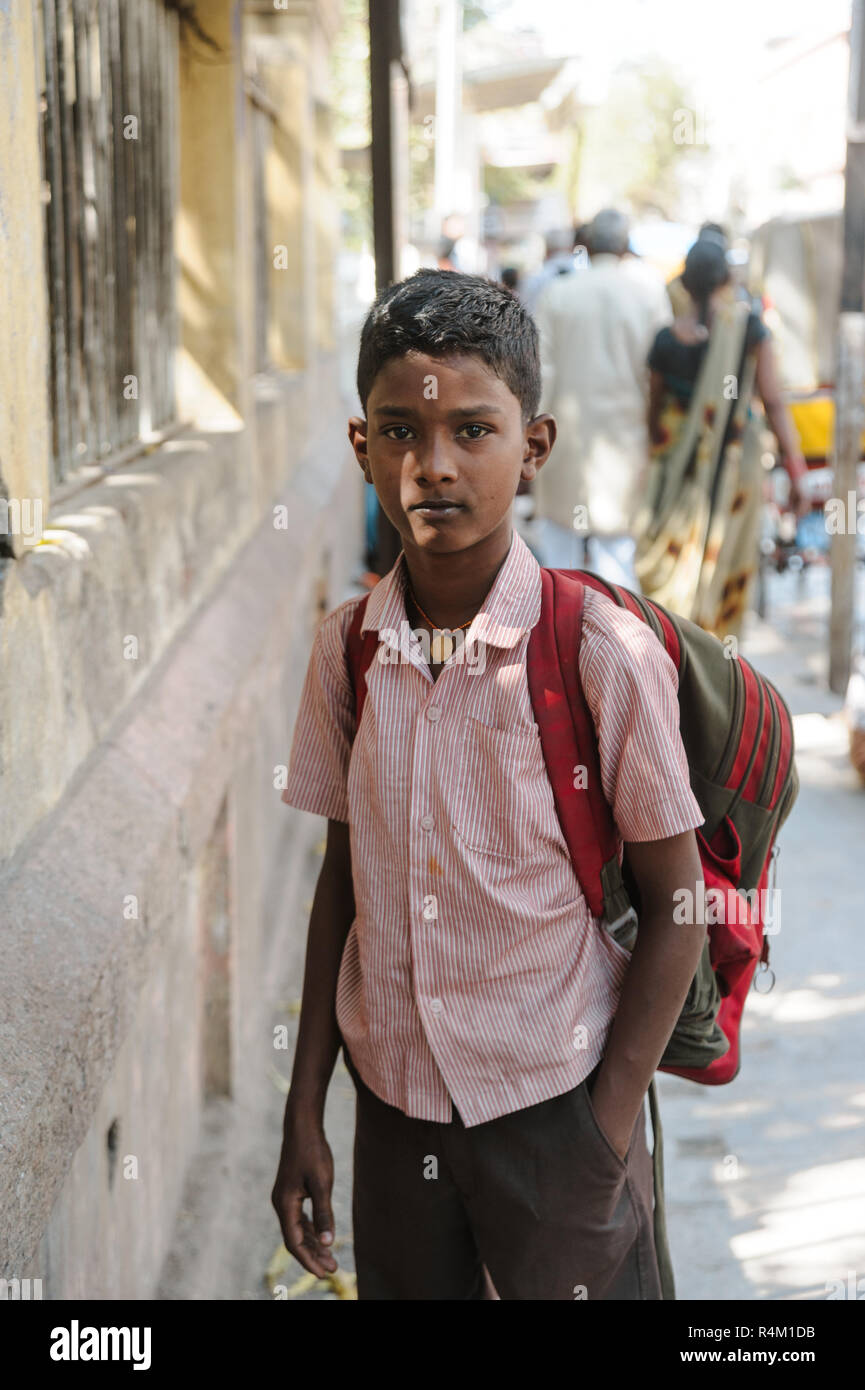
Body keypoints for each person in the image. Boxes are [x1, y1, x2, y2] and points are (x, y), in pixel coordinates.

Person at [271, 268, 709, 1301]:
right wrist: (303, 1112)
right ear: (360, 444)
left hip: (557, 1108)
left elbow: (678, 902)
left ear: (534, 447)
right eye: (399, 432)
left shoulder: (597, 650)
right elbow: (345, 880)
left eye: (473, 431)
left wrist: (605, 1123)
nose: (433, 467)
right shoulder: (346, 652)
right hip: (395, 1113)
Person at [635, 238, 809, 639]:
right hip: (734, 467)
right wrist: (796, 471)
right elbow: (775, 403)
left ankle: (678, 645)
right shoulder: (748, 328)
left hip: (677, 463)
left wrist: (660, 456)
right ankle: (718, 653)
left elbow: (655, 409)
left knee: (675, 558)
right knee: (726, 556)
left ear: (686, 284)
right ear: (727, 279)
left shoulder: (665, 340)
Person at [531, 209, 672, 589]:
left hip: (563, 438)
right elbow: (658, 373)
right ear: (626, 247)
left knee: (560, 557)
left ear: (586, 246)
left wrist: (530, 435)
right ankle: (620, 640)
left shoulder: (557, 294)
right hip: (625, 437)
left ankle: (558, 639)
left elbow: (540, 373)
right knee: (619, 557)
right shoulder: (648, 293)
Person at [520, 226, 580, 314]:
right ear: (571, 247)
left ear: (547, 249)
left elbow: (526, 311)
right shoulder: (583, 273)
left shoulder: (534, 278)